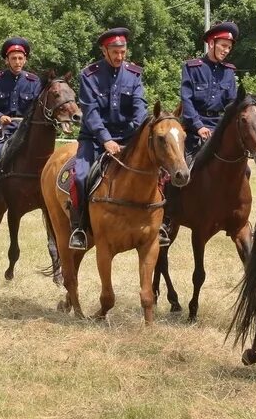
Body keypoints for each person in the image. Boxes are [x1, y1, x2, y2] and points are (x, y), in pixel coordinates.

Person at [68, 27, 148, 251]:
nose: (119, 57)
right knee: (81, 176)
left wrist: (136, 132)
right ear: (104, 50)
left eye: (123, 52)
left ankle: (160, 222)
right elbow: (91, 112)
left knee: (159, 171)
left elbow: (140, 107)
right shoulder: (89, 75)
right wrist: (106, 140)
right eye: (115, 52)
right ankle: (80, 227)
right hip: (94, 138)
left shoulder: (134, 74)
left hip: (128, 137)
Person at [159, 21, 240, 244]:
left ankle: (236, 215)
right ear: (211, 43)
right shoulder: (192, 67)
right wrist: (198, 126)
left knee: (244, 171)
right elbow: (187, 100)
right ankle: (167, 218)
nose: (226, 50)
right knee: (176, 171)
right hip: (195, 132)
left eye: (229, 47)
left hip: (219, 131)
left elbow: (231, 105)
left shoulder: (229, 72)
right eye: (222, 45)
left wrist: (223, 130)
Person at [0, 36, 41, 219]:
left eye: (21, 58)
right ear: (7, 60)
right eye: (14, 58)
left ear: (25, 59)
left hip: (27, 132)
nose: (17, 62)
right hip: (3, 131)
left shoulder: (34, 81)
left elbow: (38, 108)